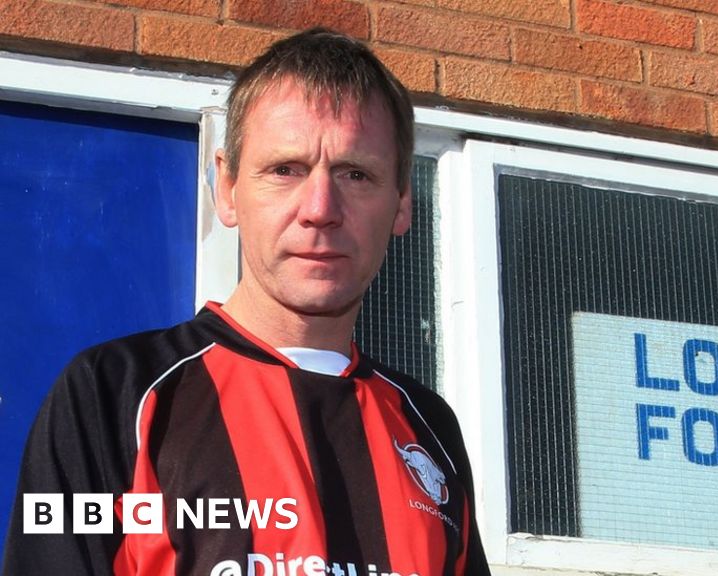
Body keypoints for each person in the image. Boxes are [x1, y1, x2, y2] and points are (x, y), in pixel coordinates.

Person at [3, 28, 490, 576]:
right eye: (286, 170)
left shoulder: (431, 429)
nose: (320, 209)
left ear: (401, 204)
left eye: (357, 174)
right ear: (228, 188)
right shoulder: (110, 394)